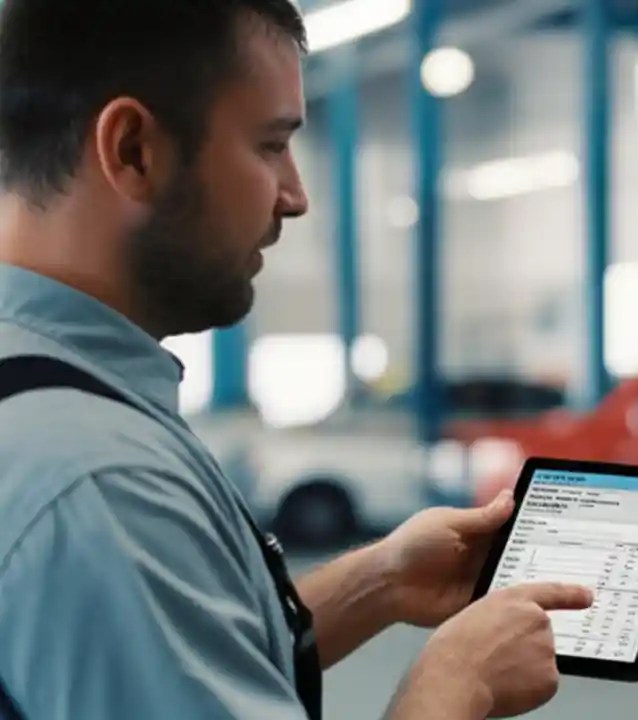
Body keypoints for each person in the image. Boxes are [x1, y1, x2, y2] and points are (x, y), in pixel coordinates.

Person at [0, 1, 593, 719]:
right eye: (270, 144)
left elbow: (164, 644)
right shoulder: (97, 480)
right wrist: (455, 685)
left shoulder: (43, 397)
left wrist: (380, 582)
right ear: (133, 150)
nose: (296, 196)